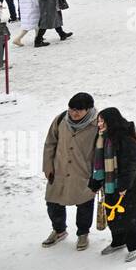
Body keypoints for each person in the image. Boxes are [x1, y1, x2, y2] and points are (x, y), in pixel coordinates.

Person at [41, 93, 99, 250]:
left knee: (85, 204)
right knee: (52, 202)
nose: (73, 113)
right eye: (71, 109)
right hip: (59, 170)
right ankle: (59, 230)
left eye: (78, 111)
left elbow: (103, 150)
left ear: (89, 110)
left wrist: (99, 174)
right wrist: (48, 166)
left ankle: (83, 234)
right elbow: (50, 143)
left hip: (83, 173)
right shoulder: (61, 120)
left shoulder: (98, 124)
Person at [90, 107, 136, 262]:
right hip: (109, 185)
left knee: (130, 214)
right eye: (98, 121)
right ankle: (118, 241)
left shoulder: (126, 140)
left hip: (127, 186)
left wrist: (123, 186)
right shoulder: (102, 138)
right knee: (113, 213)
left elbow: (130, 166)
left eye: (102, 121)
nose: (99, 124)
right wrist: (95, 183)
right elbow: (97, 164)